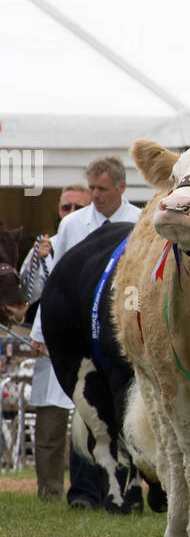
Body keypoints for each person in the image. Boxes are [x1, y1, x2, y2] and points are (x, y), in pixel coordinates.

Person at [30, 158, 141, 509]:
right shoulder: (73, 224)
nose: (95, 196)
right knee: (86, 408)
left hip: (124, 334)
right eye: (91, 188)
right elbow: (55, 287)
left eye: (102, 189)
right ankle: (83, 493)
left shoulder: (140, 222)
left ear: (121, 188)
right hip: (81, 332)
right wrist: (41, 332)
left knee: (127, 409)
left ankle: (131, 487)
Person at [20, 185, 92, 502]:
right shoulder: (47, 244)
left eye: (79, 208)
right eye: (66, 207)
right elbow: (28, 293)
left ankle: (91, 493)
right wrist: (39, 258)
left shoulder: (97, 243)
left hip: (87, 346)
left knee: (92, 423)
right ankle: (48, 492)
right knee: (49, 427)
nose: (71, 214)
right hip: (51, 345)